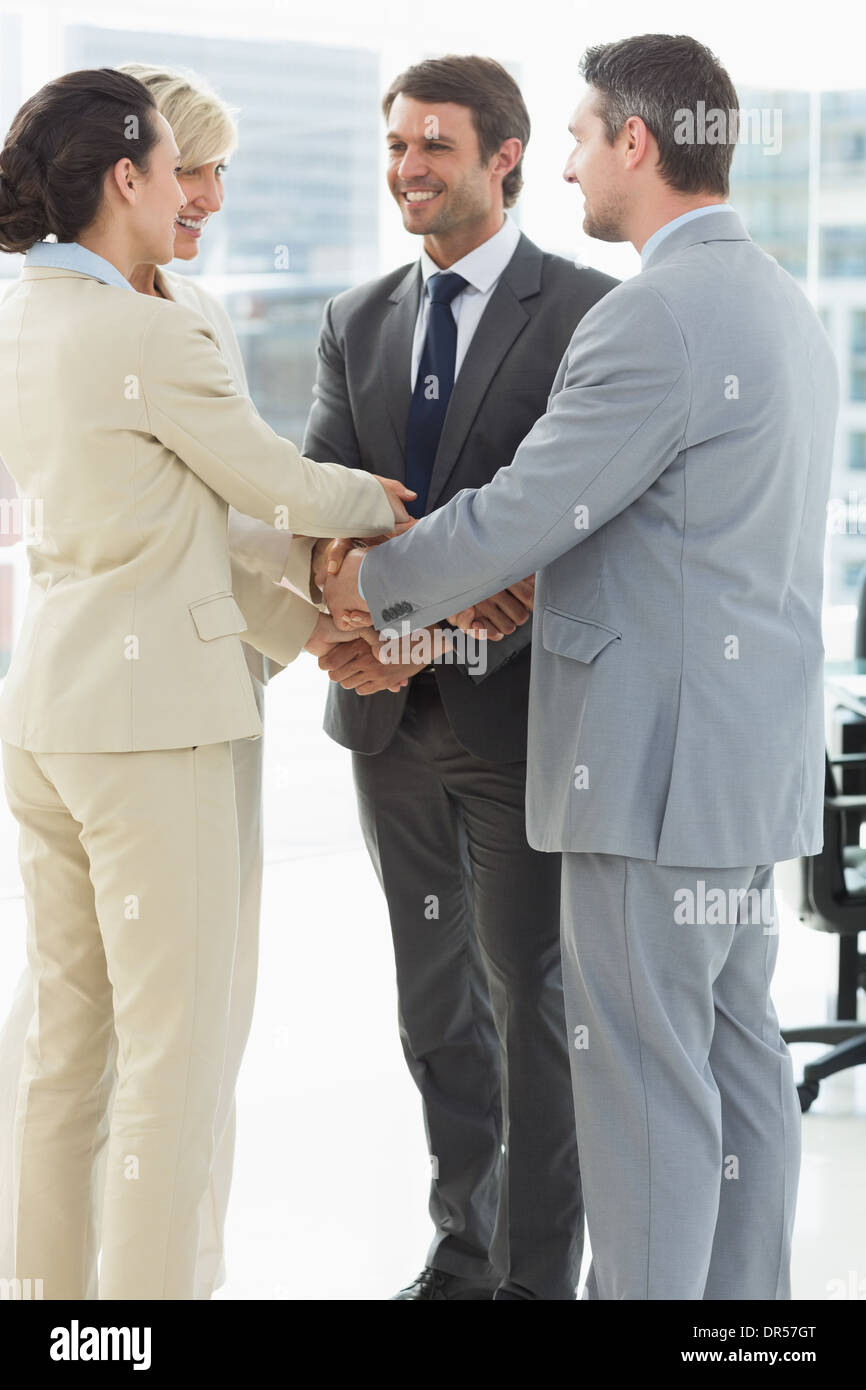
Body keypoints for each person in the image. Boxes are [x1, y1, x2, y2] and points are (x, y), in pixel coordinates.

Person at [323, 34, 839, 1300]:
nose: (563, 164)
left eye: (575, 137)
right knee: (734, 1066)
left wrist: (364, 586)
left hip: (646, 779)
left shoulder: (649, 316)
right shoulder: (777, 297)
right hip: (741, 771)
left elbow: (522, 512)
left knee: (643, 1091)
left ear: (635, 145)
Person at [0, 66, 412, 1299]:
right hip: (156, 733)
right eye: (181, 168)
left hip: (51, 716)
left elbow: (177, 529)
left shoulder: (23, 317)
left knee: (68, 1050)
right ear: (127, 177)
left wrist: (306, 619)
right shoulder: (149, 329)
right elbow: (274, 485)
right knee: (176, 1066)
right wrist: (385, 511)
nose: (198, 193)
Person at [305, 55, 616, 1300]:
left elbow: (557, 530)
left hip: (513, 716)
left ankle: (538, 1275)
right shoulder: (353, 318)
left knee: (528, 1009)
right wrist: (353, 593)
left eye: (433, 144)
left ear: (504, 158)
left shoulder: (588, 310)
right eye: (394, 145)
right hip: (387, 729)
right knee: (436, 1010)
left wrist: (407, 619)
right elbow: (324, 510)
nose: (406, 169)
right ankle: (461, 1250)